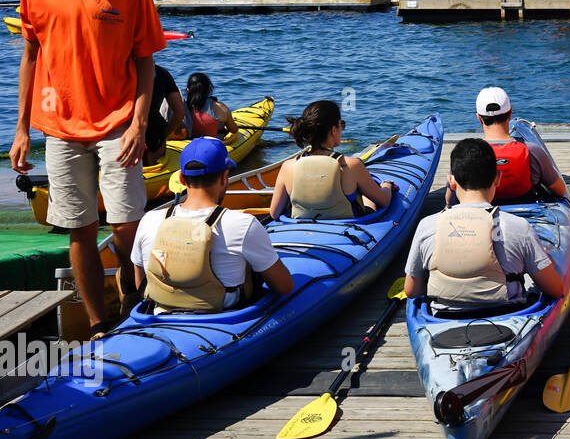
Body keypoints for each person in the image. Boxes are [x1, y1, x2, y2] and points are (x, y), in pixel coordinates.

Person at [10, 0, 166, 337]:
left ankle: (138, 299)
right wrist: (21, 129)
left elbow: (144, 61)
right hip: (59, 126)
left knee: (126, 224)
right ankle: (99, 323)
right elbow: (30, 56)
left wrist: (139, 122)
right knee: (79, 227)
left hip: (117, 121)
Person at [131, 137, 294, 311]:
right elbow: (285, 286)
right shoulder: (243, 225)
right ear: (224, 177)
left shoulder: (149, 220)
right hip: (225, 316)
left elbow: (141, 284)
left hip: (160, 311)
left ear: (182, 179)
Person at [404, 138, 567, 303]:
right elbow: (555, 289)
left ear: (452, 182)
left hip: (443, 317)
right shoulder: (518, 227)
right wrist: (547, 259)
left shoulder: (427, 226)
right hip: (507, 314)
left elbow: (412, 291)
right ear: (497, 178)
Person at [268, 100, 398, 219]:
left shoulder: (288, 166)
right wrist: (387, 185)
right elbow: (384, 201)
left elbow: (274, 213)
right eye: (341, 124)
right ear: (334, 130)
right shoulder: (352, 165)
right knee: (366, 197)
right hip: (348, 229)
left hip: (304, 230)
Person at [445, 87, 565, 207]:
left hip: (482, 219)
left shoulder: (465, 154)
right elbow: (560, 191)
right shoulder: (532, 151)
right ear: (510, 113)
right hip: (526, 216)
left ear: (479, 118)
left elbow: (449, 200)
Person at [144, 64, 186, 166]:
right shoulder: (161, 73)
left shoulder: (118, 72)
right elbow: (179, 112)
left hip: (120, 132)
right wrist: (164, 136)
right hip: (154, 134)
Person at [182, 72, 238, 140]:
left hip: (186, 146)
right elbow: (234, 130)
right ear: (208, 89)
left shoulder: (180, 107)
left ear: (188, 90)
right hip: (211, 147)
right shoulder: (220, 108)